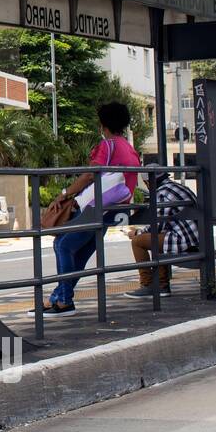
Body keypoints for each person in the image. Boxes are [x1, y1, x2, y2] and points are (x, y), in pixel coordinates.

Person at [44, 102, 141, 315]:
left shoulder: (108, 146)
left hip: (95, 206)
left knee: (63, 245)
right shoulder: (129, 148)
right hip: (113, 210)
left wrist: (64, 194)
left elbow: (89, 175)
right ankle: (58, 297)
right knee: (80, 250)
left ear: (103, 124)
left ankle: (64, 300)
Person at [123, 167, 199, 298]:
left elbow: (157, 225)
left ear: (148, 183)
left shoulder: (162, 193)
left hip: (184, 240)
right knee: (158, 239)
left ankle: (148, 285)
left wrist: (136, 233)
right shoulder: (178, 187)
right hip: (197, 237)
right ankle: (161, 285)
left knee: (138, 242)